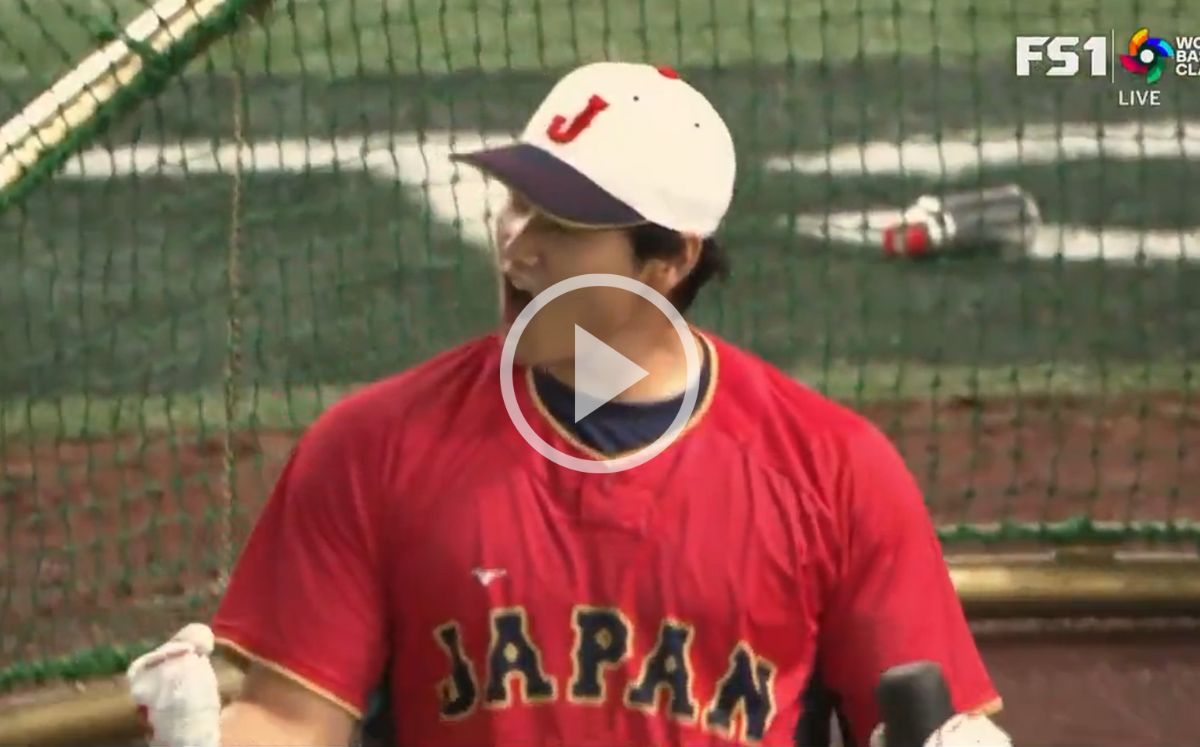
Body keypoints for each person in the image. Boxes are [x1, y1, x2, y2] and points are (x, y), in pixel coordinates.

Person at [128, 61, 1011, 747]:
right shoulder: (373, 448)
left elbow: (929, 713)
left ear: (668, 262)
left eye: (562, 227)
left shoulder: (830, 469)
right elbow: (292, 716)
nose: (518, 246)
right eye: (516, 206)